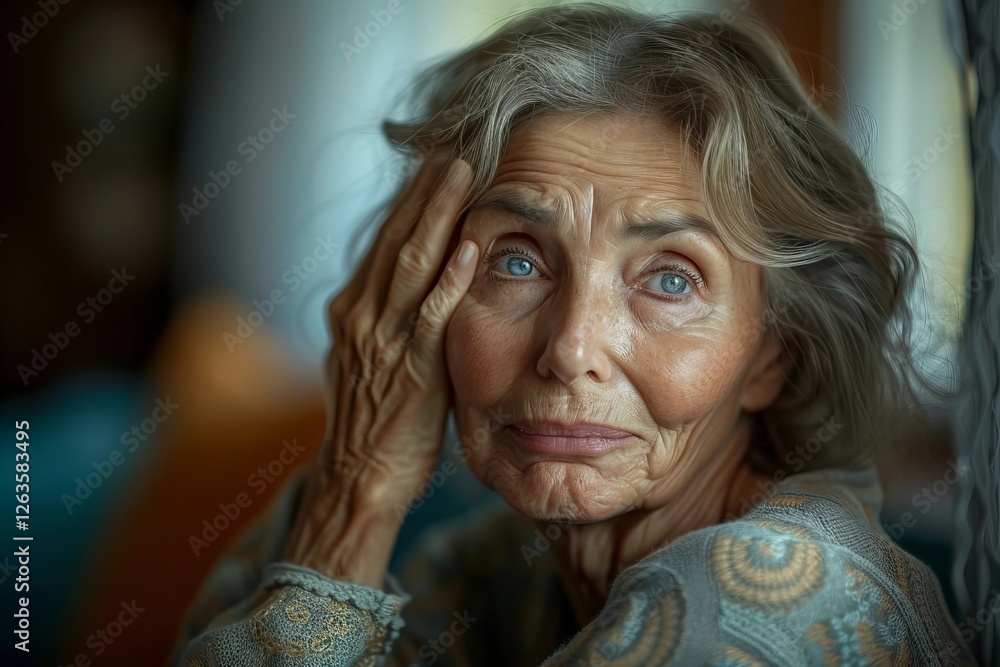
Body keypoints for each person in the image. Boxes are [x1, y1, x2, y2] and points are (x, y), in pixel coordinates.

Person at [172, 3, 978, 665]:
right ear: (420, 296)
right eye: (518, 263)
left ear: (775, 350)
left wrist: (360, 497)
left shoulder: (774, 594)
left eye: (670, 278)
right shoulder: (504, 568)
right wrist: (355, 487)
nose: (569, 349)